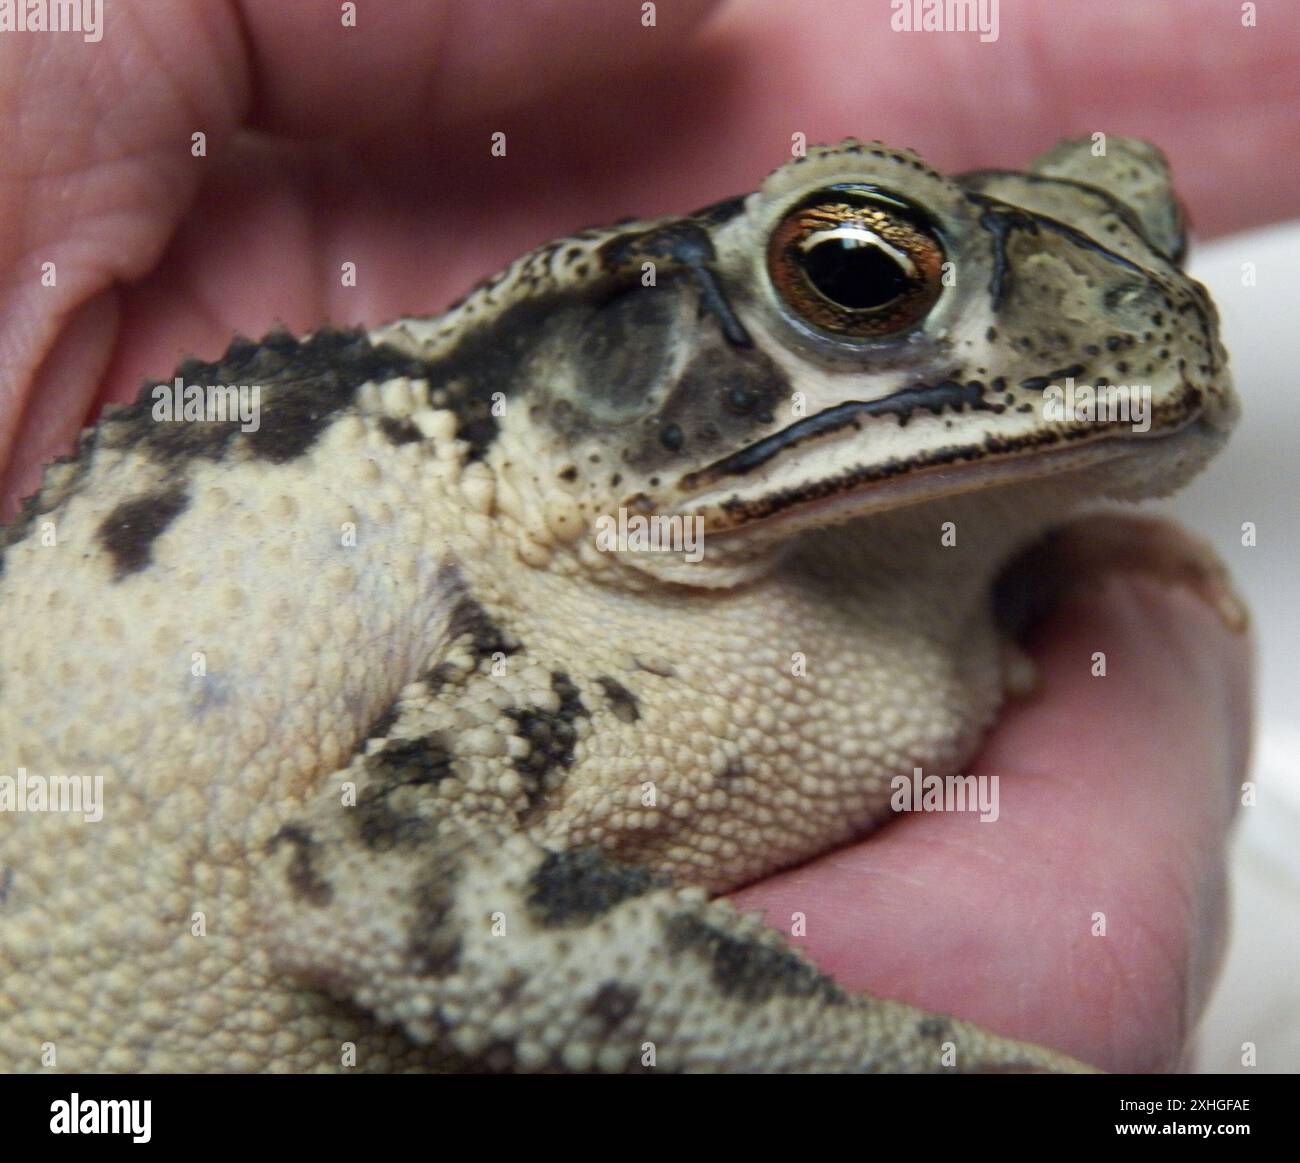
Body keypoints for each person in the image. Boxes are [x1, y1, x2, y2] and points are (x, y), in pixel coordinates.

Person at [0, 0, 1277, 1071]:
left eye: (1141, 229)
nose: (1135, 304)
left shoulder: (789, 559)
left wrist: (1028, 531)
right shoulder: (521, 570)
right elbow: (361, 885)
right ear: (619, 369)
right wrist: (855, 1045)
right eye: (860, 274)